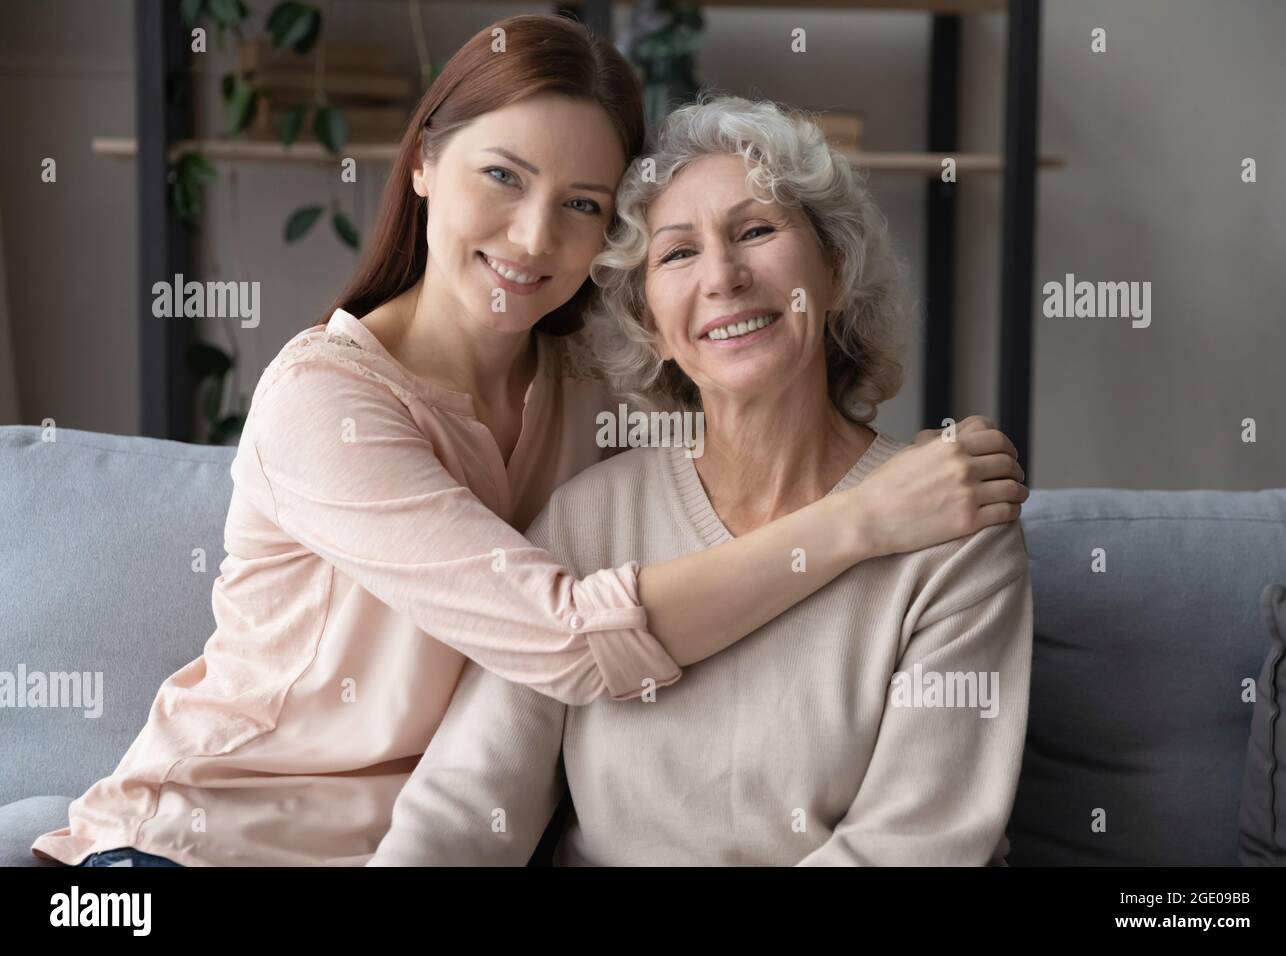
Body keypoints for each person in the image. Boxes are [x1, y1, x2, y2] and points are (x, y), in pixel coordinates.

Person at [34, 20, 1025, 868]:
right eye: (501, 177)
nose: (532, 236)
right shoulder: (324, 405)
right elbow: (564, 645)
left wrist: (894, 490)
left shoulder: (582, 398)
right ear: (422, 161)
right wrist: (856, 522)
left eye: (583, 206)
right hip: (199, 842)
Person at [369, 96, 1032, 867]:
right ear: (649, 321)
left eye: (757, 231)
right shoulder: (588, 518)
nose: (724, 276)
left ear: (835, 271)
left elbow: (914, 845)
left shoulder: (953, 527)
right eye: (677, 253)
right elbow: (465, 802)